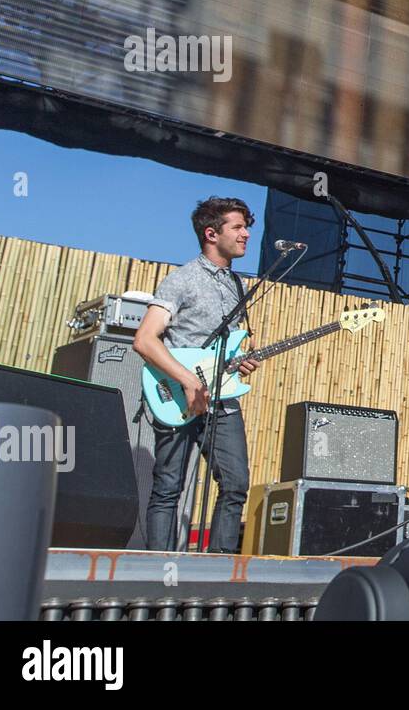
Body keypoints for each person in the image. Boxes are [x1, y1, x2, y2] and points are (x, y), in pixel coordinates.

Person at [132, 197, 259, 552]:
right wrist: (189, 380)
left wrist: (239, 362)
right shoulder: (182, 280)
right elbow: (144, 340)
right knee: (169, 485)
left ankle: (217, 567)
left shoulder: (238, 285)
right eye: (237, 227)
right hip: (177, 394)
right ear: (211, 233)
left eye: (245, 226)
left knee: (236, 483)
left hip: (221, 395)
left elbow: (223, 349)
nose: (246, 234)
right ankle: (158, 571)